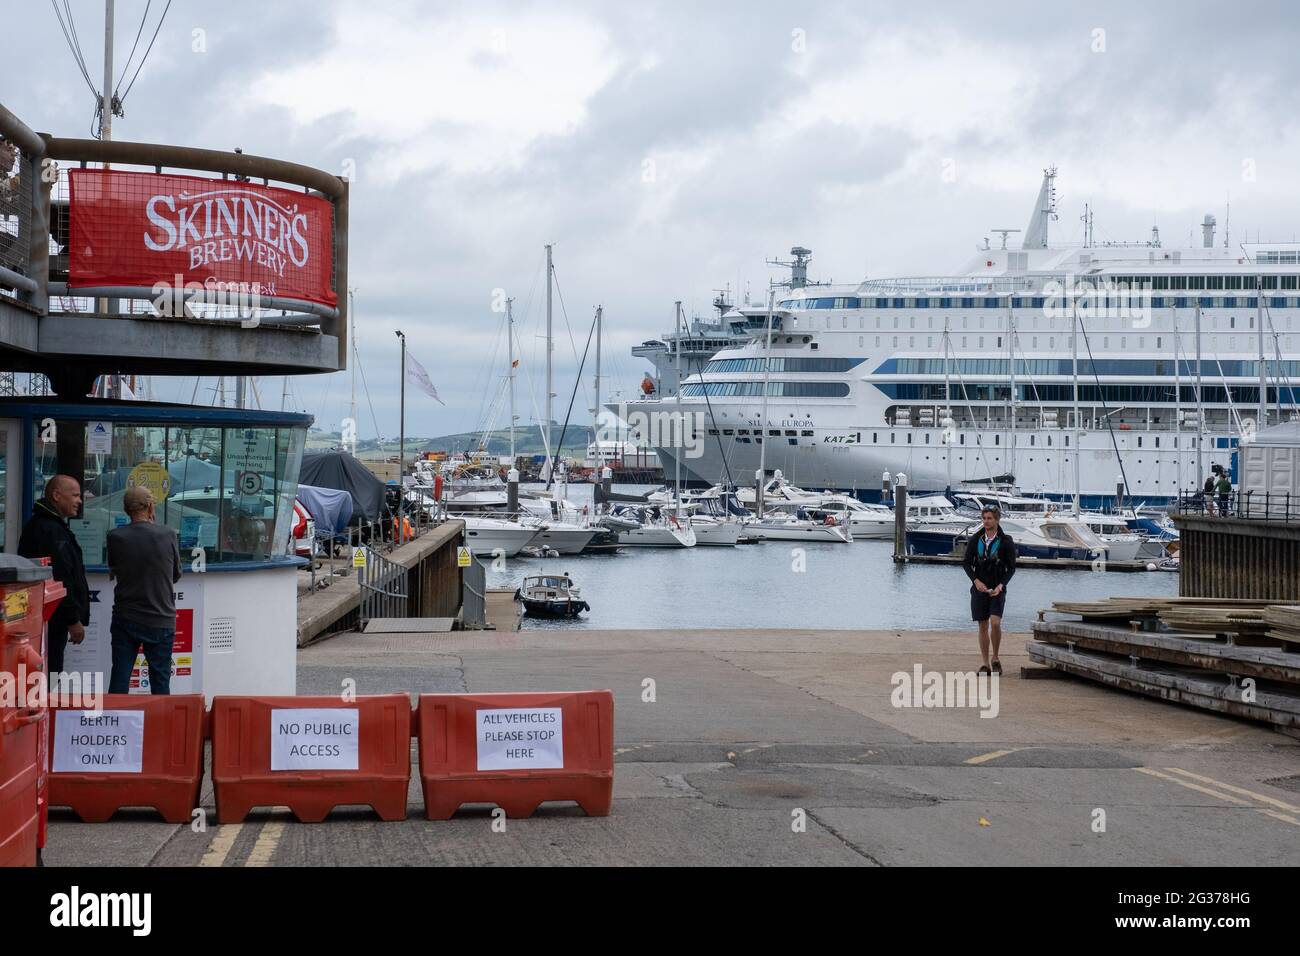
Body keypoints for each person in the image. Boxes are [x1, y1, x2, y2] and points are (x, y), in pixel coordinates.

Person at [106, 486, 182, 694]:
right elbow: (175, 574)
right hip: (160, 617)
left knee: (120, 678)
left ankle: (116, 723)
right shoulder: (167, 534)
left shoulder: (115, 537)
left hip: (125, 617)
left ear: (125, 509)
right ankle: (161, 724)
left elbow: (114, 570)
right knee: (160, 681)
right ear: (150, 506)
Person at [18, 475, 91, 676]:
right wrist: (72, 619)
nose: (80, 500)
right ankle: (46, 706)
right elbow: (60, 577)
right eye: (75, 495)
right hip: (50, 619)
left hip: (47, 617)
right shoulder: (50, 530)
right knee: (50, 671)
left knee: (48, 670)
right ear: (57, 496)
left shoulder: (52, 527)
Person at [961, 503, 1018, 676]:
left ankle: (995, 657)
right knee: (983, 625)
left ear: (997, 519)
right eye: (984, 518)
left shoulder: (1006, 542)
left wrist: (1001, 586)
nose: (986, 521)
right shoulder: (976, 539)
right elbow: (966, 563)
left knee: (995, 622)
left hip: (997, 588)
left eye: (989, 518)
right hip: (980, 589)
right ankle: (985, 663)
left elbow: (1012, 568)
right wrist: (975, 581)